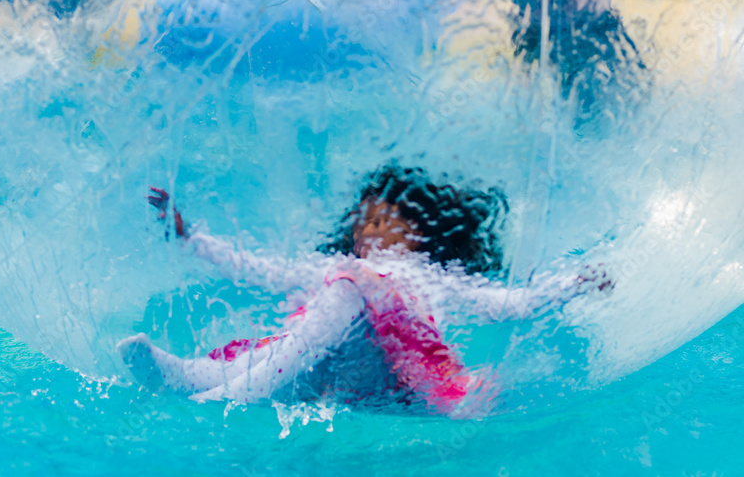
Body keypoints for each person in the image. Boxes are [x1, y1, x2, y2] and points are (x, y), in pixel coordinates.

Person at [119, 165, 609, 413]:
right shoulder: (341, 268)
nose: (365, 232)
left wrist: (573, 285)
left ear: (417, 233)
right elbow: (262, 271)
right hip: (330, 374)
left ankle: (231, 397)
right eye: (361, 222)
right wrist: (191, 238)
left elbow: (510, 306)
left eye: (380, 220)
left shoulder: (431, 276)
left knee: (353, 282)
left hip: (399, 383)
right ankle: (191, 376)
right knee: (325, 301)